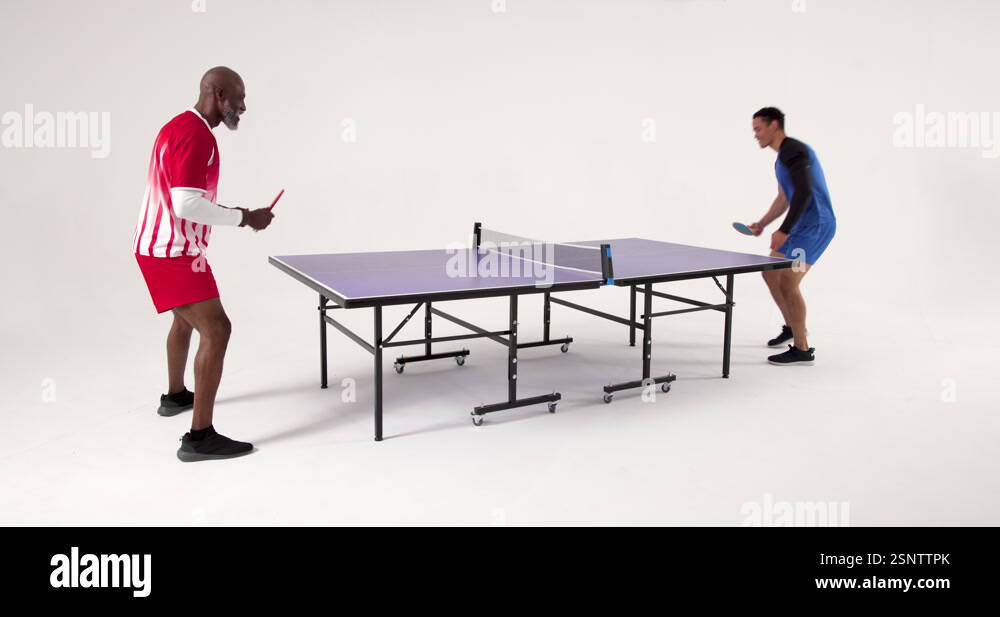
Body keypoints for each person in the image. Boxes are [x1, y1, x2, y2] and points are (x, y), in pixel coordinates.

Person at [132, 66, 274, 461]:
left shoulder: (177, 126)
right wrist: (246, 217)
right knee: (218, 329)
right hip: (172, 253)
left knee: (184, 320)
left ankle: (175, 396)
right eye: (239, 97)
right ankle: (199, 438)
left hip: (162, 247)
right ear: (217, 94)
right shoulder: (196, 136)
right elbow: (186, 203)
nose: (243, 106)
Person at [748, 107, 836, 366]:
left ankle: (802, 348)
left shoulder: (793, 151)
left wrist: (783, 230)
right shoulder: (780, 160)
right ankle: (792, 326)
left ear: (774, 125)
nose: (755, 135)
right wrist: (763, 224)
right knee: (769, 272)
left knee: (788, 281)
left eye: (758, 129)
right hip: (800, 226)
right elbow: (784, 197)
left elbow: (805, 192)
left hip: (816, 226)